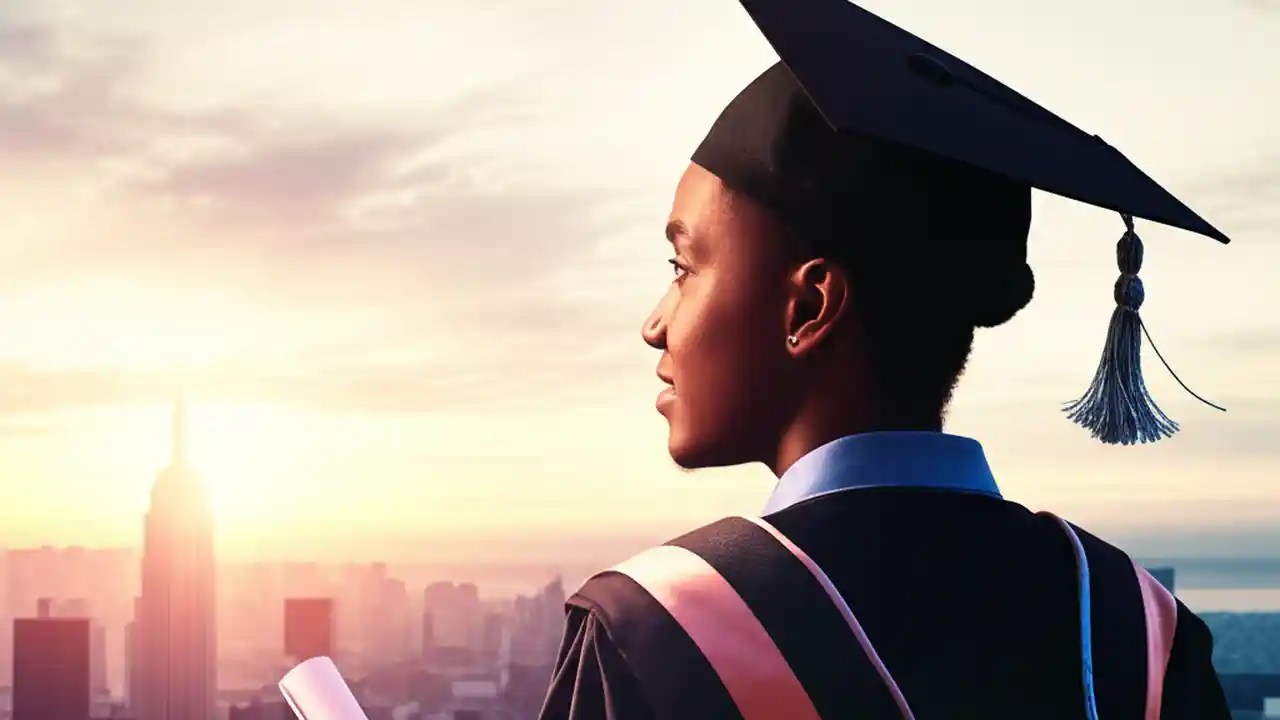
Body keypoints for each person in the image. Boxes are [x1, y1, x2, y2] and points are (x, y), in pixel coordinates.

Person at [537, 0, 1233, 718]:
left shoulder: (653, 638)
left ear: (809, 309)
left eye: (682, 267)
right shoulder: (1137, 633)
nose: (656, 324)